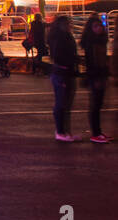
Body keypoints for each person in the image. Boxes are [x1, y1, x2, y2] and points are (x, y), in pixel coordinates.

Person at [47, 14, 79, 142]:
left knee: (67, 104)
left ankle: (66, 131)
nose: (69, 25)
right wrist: (71, 61)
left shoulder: (67, 36)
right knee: (61, 103)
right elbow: (58, 56)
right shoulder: (58, 38)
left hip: (67, 72)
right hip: (62, 73)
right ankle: (60, 131)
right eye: (67, 23)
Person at [79, 13, 110, 143]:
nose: (99, 28)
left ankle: (98, 132)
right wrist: (96, 78)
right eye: (95, 26)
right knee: (95, 105)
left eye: (100, 26)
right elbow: (92, 63)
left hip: (101, 75)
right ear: (90, 29)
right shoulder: (91, 43)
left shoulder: (101, 41)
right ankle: (95, 133)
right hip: (96, 76)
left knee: (99, 104)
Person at [28, 11, 47, 75]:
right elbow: (48, 24)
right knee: (42, 53)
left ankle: (36, 67)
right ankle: (37, 66)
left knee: (40, 54)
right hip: (40, 41)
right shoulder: (41, 24)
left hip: (35, 41)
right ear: (40, 17)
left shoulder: (33, 23)